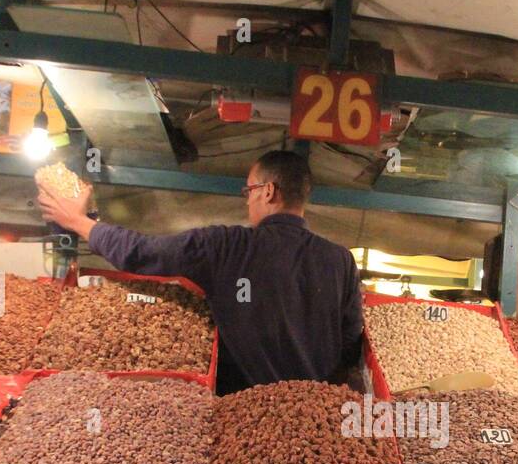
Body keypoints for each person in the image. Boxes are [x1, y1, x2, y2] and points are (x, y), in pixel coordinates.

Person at [37, 150, 364, 395]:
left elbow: (142, 253)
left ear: (268, 192)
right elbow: (351, 343)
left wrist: (79, 222)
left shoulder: (226, 246)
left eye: (248, 191)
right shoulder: (341, 261)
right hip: (315, 420)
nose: (247, 201)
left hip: (241, 415)